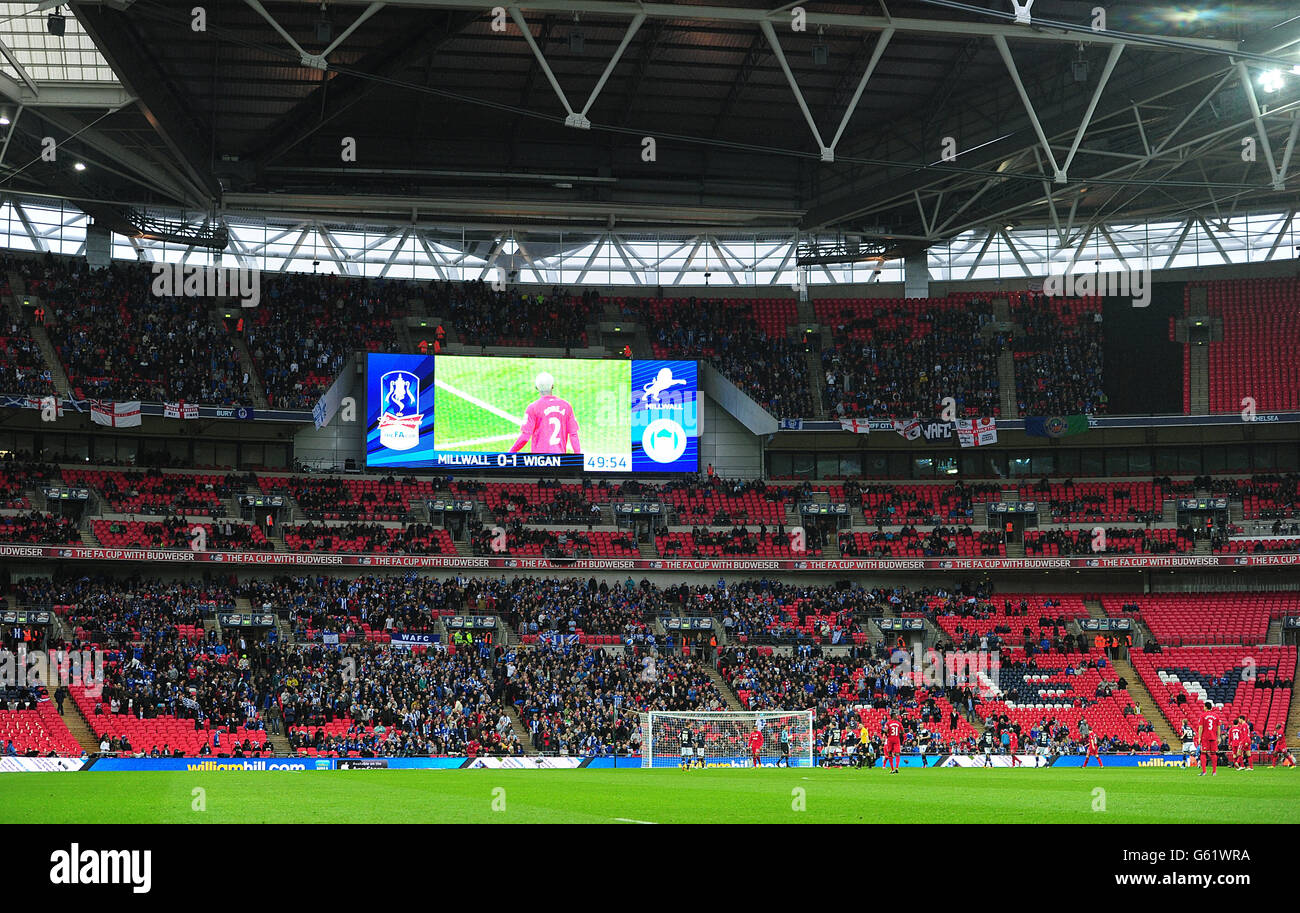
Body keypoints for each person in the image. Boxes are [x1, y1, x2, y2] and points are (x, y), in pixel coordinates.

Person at [509, 371, 581, 455]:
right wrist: (578, 455)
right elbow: (573, 435)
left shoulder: (533, 407)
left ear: (536, 387)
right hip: (559, 460)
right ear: (552, 386)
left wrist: (510, 452)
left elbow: (525, 437)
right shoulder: (566, 406)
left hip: (539, 461)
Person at [1198, 701, 1221, 776]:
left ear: (1206, 707)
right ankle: (1214, 772)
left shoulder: (1203, 715)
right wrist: (1219, 737)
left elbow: (1201, 727)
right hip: (1213, 737)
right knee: (1213, 754)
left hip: (1205, 737)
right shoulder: (1216, 716)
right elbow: (1218, 727)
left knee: (1203, 753)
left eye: (1204, 706)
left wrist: (1199, 737)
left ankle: (1204, 771)